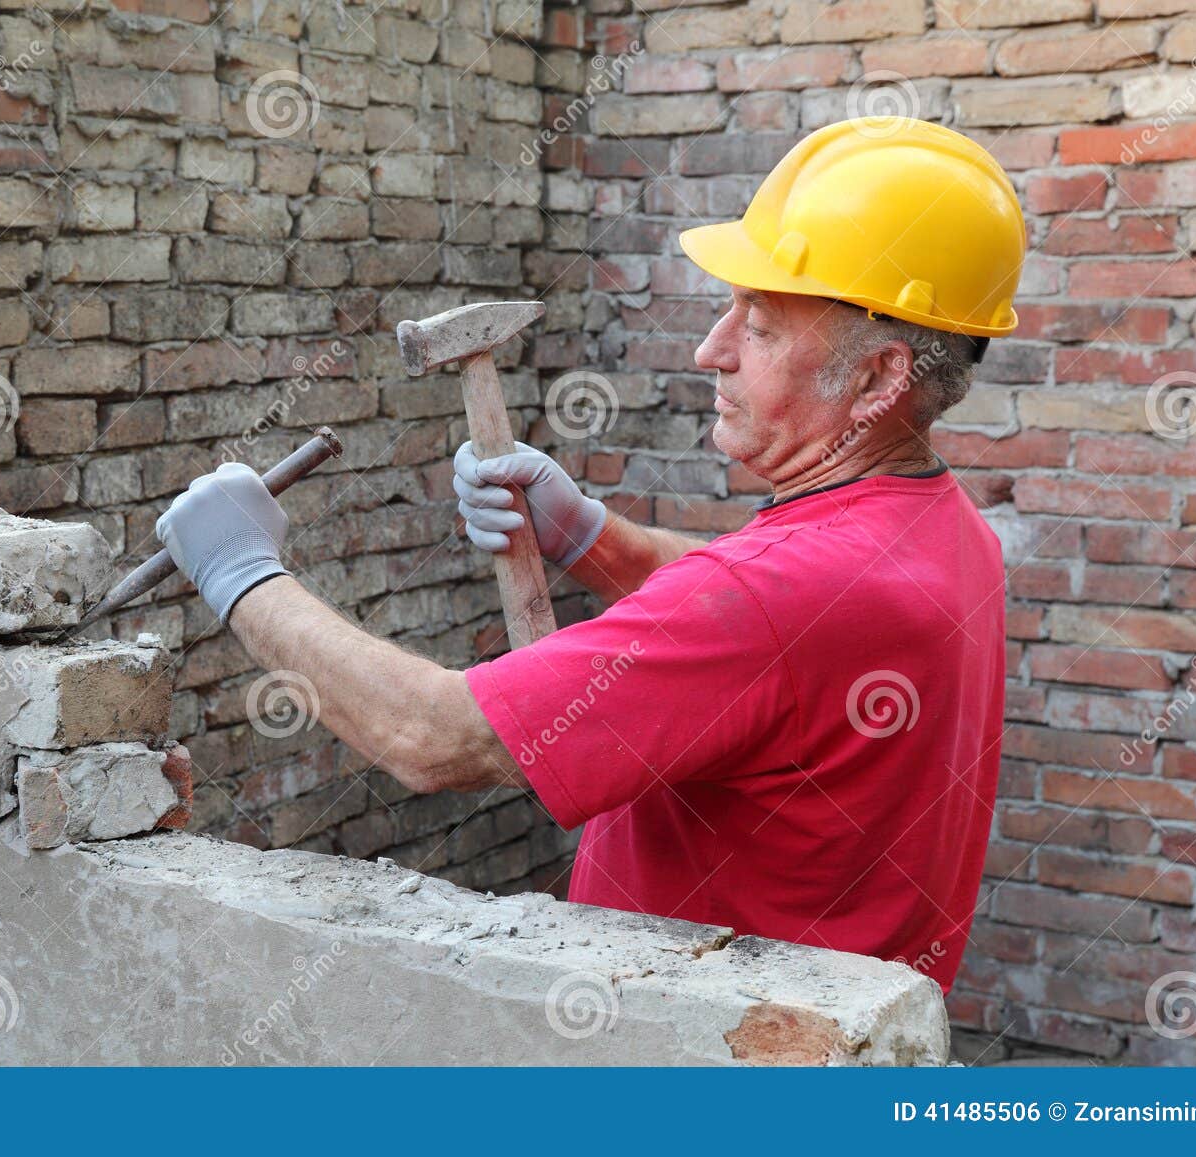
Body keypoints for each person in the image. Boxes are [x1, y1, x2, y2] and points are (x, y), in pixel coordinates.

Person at [155, 117, 1025, 993]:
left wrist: (243, 572)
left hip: (702, 1051)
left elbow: (433, 735)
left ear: (878, 377)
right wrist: (586, 535)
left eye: (759, 327)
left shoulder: (781, 595)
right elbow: (763, 635)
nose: (711, 350)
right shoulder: (950, 534)